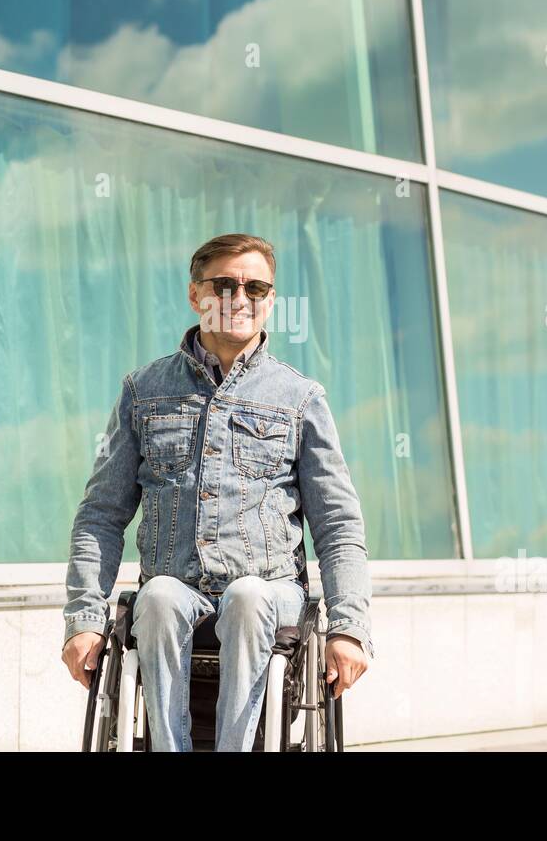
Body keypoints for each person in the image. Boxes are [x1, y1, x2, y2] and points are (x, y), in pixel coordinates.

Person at [60, 232, 374, 751]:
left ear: (270, 300)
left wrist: (349, 626)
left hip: (269, 593)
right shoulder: (144, 391)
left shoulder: (300, 399)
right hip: (175, 589)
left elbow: (338, 526)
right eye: (224, 284)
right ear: (195, 296)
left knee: (247, 595)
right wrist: (84, 619)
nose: (239, 298)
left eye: (255, 288)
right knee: (157, 595)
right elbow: (100, 515)